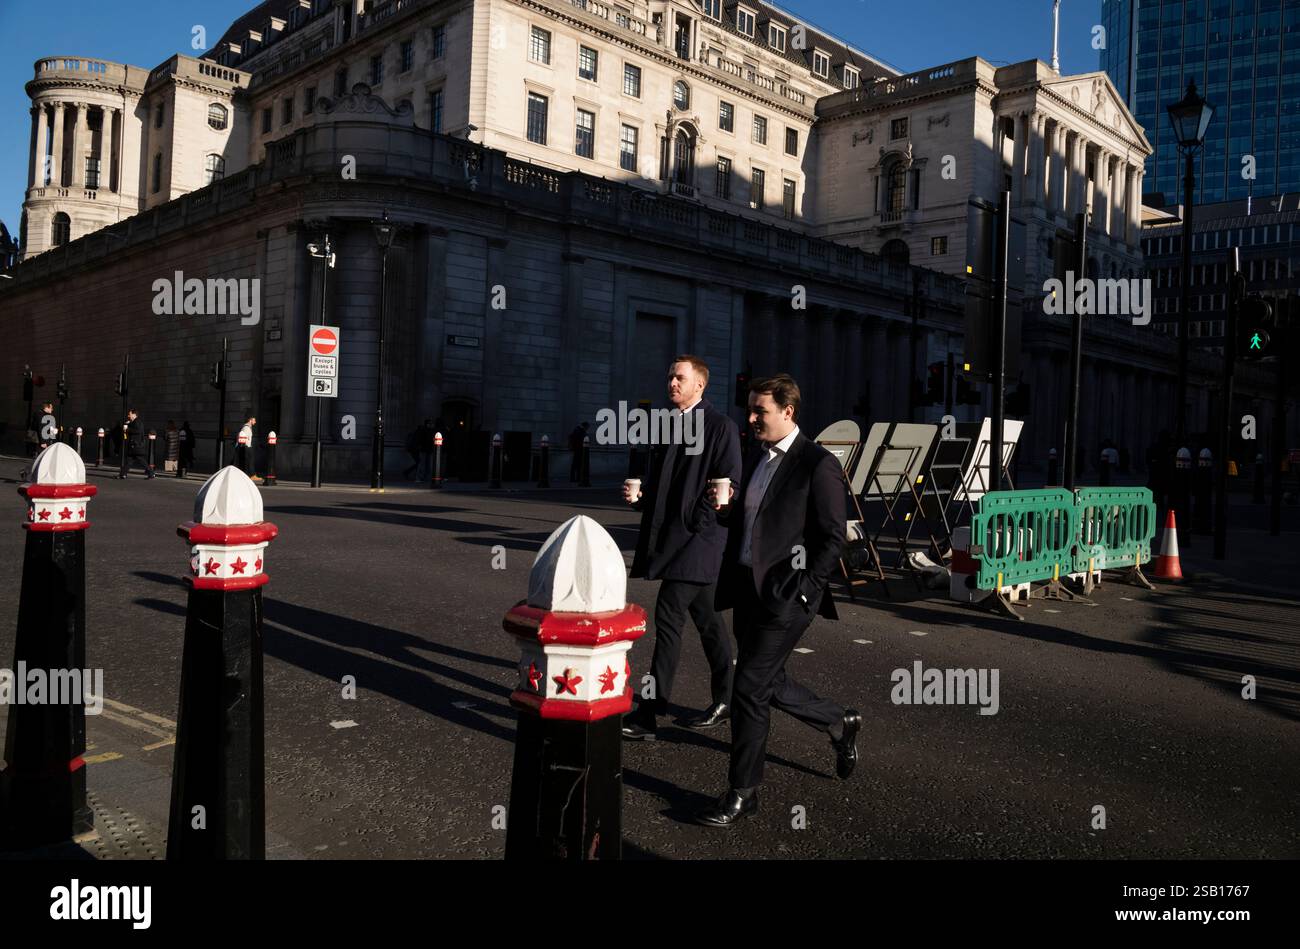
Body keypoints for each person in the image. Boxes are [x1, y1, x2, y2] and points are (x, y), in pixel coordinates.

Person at [695, 373, 860, 827]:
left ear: (788, 412)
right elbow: (753, 528)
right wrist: (725, 510)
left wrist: (806, 589)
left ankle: (742, 792)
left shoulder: (817, 463)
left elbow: (832, 538)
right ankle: (838, 721)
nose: (750, 418)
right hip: (747, 588)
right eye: (749, 409)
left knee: (747, 687)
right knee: (769, 681)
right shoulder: (755, 457)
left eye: (759, 411)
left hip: (787, 596)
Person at [621, 356, 742, 740]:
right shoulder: (666, 424)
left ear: (699, 385)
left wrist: (699, 520)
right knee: (708, 621)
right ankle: (728, 698)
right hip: (673, 538)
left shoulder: (720, 426)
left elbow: (729, 481)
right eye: (670, 376)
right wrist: (640, 497)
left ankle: (648, 714)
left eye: (680, 378)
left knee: (669, 613)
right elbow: (663, 485)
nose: (672, 383)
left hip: (699, 540)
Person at [118, 409, 151, 479]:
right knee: (129, 461)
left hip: (136, 445)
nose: (128, 416)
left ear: (134, 415)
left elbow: (137, 431)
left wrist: (127, 429)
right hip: (134, 446)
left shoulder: (137, 422)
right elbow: (127, 432)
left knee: (140, 460)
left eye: (129, 414)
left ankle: (151, 473)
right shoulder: (133, 422)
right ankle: (123, 474)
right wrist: (126, 425)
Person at [237, 413, 260, 481]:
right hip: (246, 447)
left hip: (247, 446)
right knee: (249, 461)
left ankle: (252, 475)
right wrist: (247, 447)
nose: (255, 422)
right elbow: (244, 437)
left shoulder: (248, 427)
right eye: (254, 420)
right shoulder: (246, 428)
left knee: (250, 461)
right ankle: (252, 475)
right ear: (250, 420)